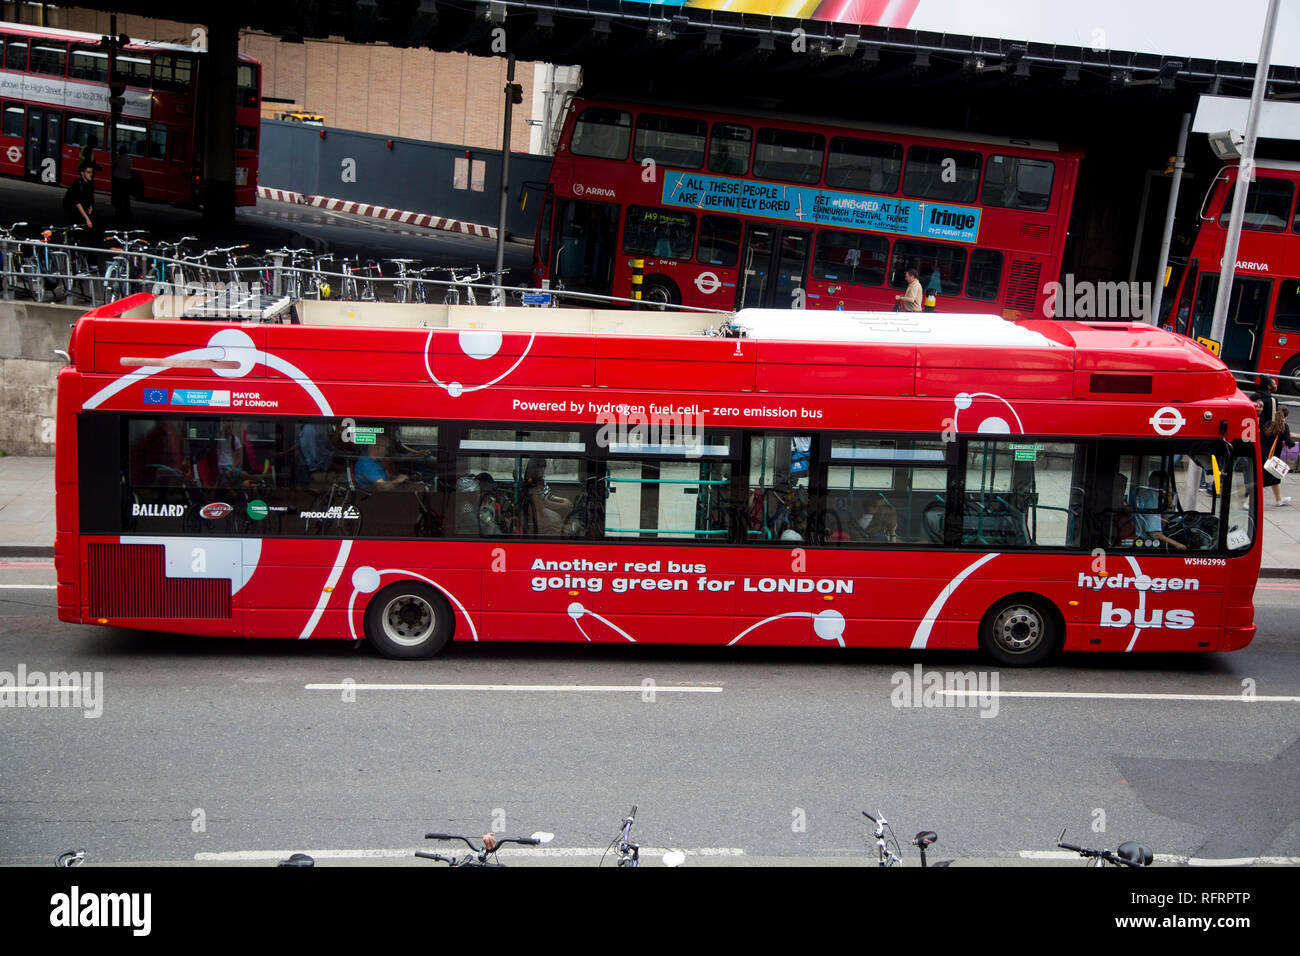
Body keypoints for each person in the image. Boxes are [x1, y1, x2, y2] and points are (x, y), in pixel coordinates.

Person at [1134, 470, 1187, 550]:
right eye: (1168, 486)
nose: (1169, 490)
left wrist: (1169, 504)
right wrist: (1178, 545)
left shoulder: (1143, 493)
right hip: (1146, 542)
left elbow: (1161, 523)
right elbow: (1153, 533)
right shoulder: (1152, 498)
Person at [521, 457, 571, 535]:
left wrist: (563, 500)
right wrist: (563, 505)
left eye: (543, 469)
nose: (543, 472)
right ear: (535, 471)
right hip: (541, 515)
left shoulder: (541, 479)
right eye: (541, 470)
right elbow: (544, 504)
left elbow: (549, 495)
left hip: (545, 512)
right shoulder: (531, 487)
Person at [1262, 408, 1293, 506]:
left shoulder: (1267, 424)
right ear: (1286, 416)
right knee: (1262, 480)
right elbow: (1289, 442)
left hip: (1262, 454)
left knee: (1275, 477)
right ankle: (1248, 502)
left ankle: (1279, 499)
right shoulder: (1284, 426)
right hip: (1273, 456)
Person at [64, 161, 97, 233]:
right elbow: (77, 203)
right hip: (76, 214)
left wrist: (91, 206)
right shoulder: (77, 184)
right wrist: (87, 218)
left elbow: (90, 199)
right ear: (82, 173)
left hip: (85, 213)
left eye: (91, 172)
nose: (91, 174)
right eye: (88, 172)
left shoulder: (89, 184)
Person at [111, 144, 133, 225]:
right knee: (126, 199)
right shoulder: (129, 159)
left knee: (118, 199)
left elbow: (112, 165)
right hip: (127, 181)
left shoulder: (118, 158)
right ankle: (127, 215)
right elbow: (130, 168)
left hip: (118, 181)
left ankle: (118, 215)